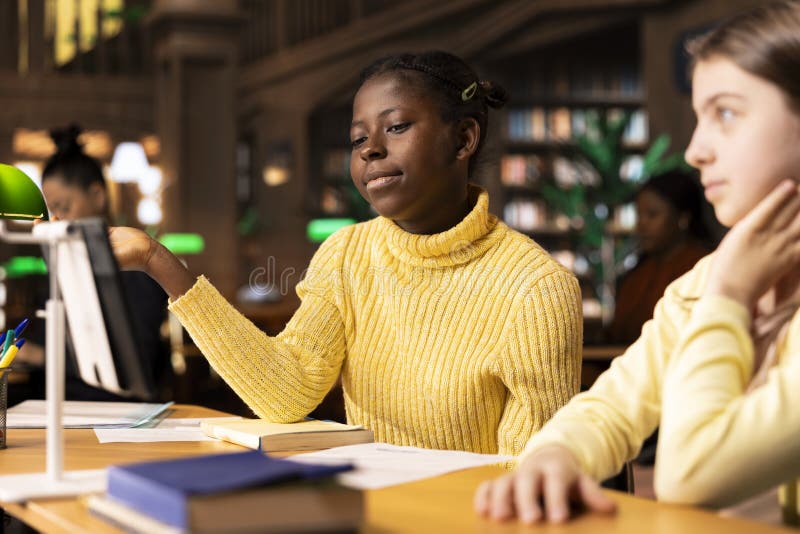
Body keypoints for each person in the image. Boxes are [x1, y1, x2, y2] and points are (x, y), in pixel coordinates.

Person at [107, 51, 583, 455]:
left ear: (463, 139)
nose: (370, 150)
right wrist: (158, 261)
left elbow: (529, 478)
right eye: (358, 139)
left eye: (395, 127)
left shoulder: (535, 290)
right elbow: (285, 392)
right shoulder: (347, 254)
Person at [474, 0, 800, 524]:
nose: (695, 150)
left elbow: (692, 475)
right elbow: (611, 408)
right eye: (699, 117)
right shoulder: (703, 283)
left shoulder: (720, 285)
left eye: (727, 113)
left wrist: (732, 297)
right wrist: (555, 455)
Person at [26, 125, 171, 401]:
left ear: (97, 195)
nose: (56, 221)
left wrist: (41, 355)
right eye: (51, 212)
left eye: (64, 207)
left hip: (113, 412)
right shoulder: (62, 266)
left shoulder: (138, 270)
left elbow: (135, 366)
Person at [608, 169, 712, 344]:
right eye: (639, 215)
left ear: (683, 218)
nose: (642, 224)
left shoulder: (700, 268)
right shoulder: (638, 273)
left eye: (652, 215)